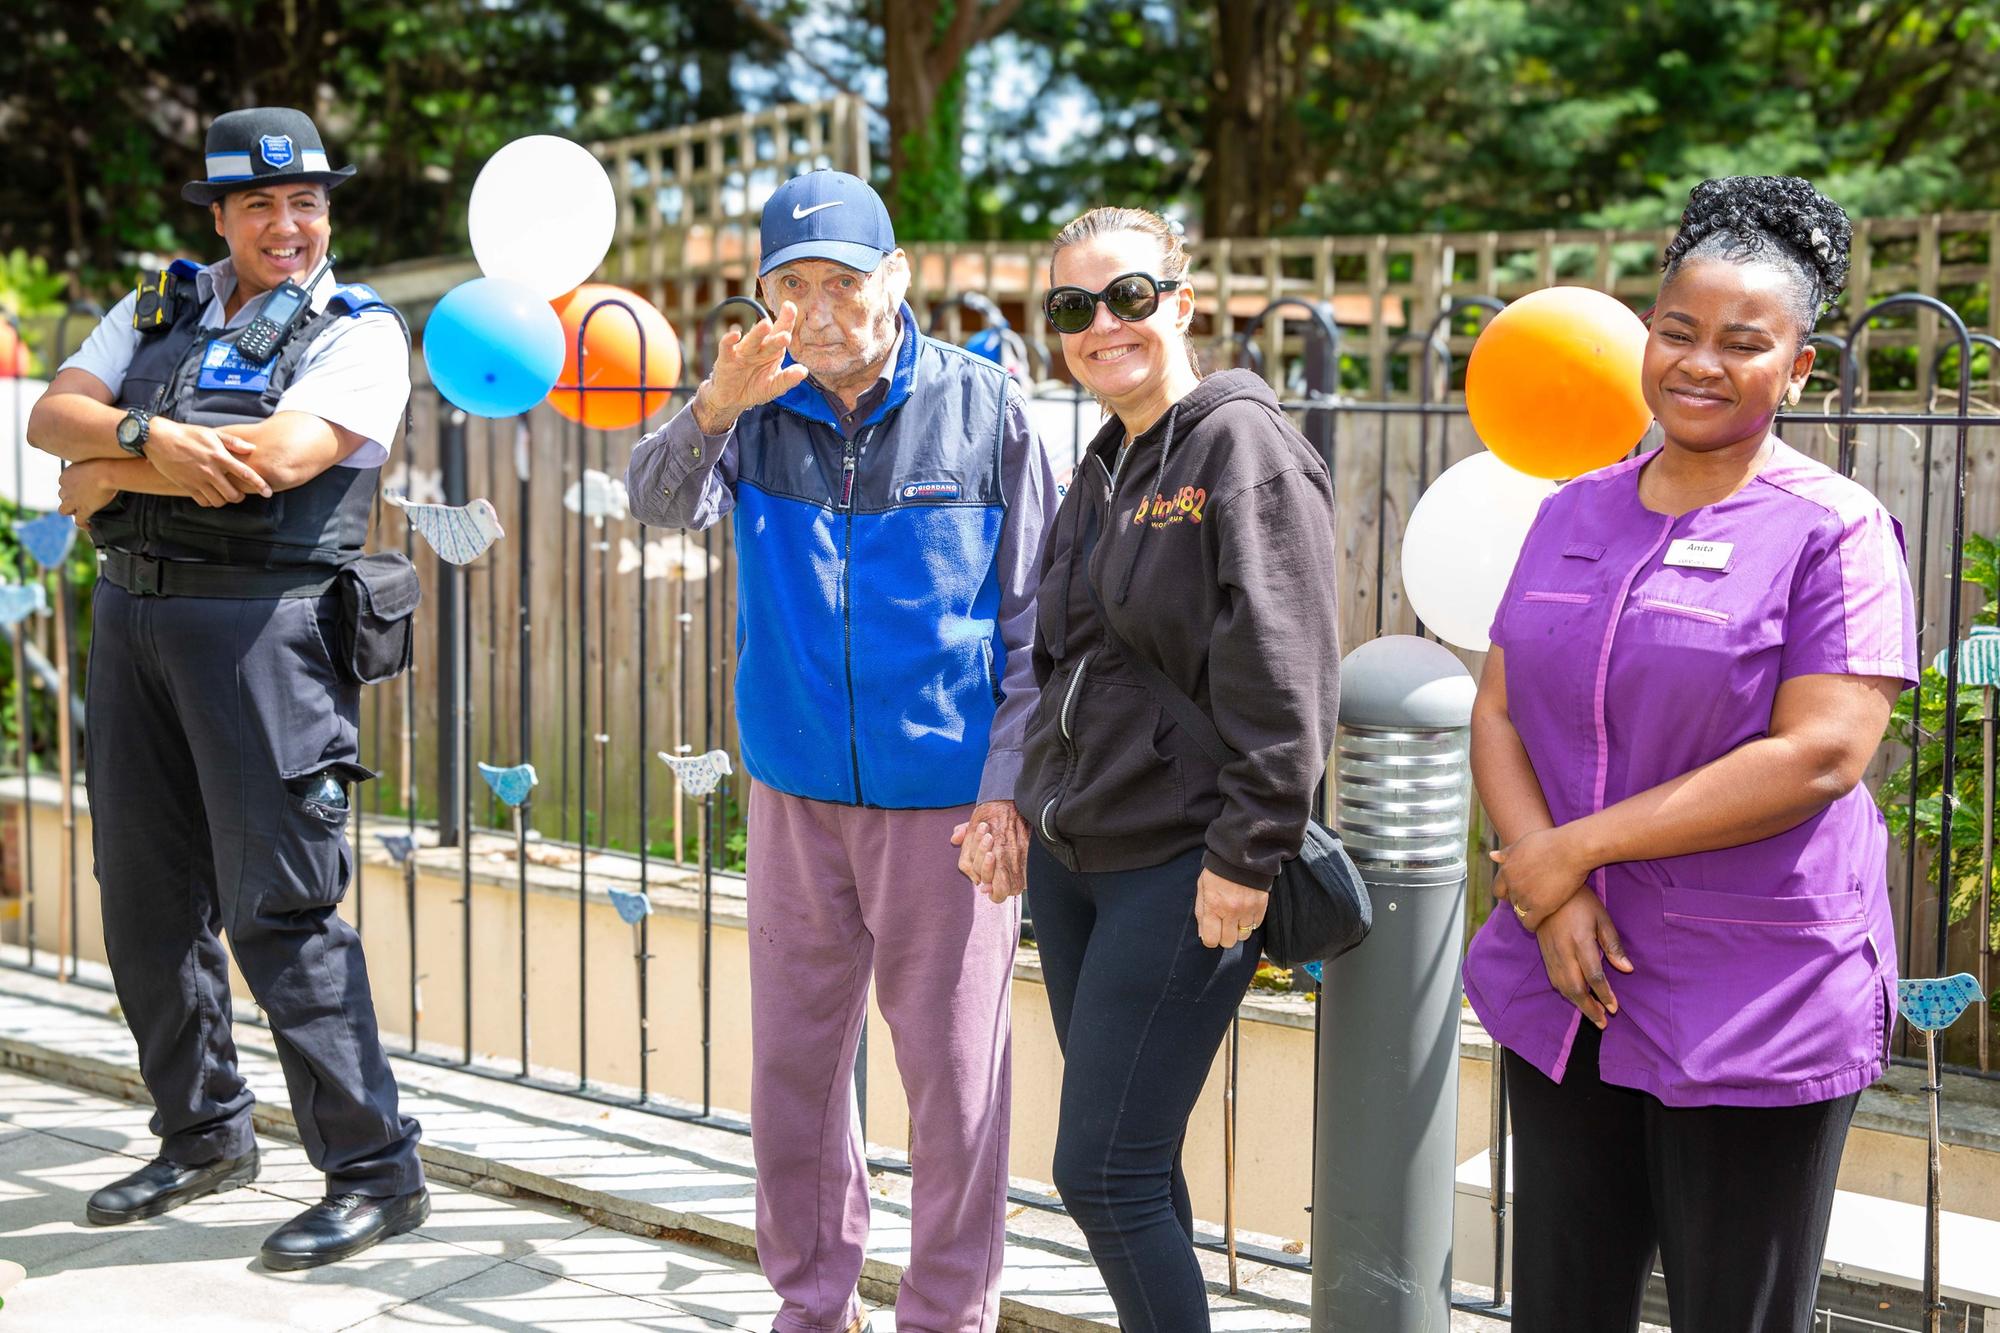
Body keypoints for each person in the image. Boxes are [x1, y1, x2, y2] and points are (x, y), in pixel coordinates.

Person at [1461, 176, 1916, 1332]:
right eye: (1675, 331)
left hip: (1750, 991)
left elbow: (1819, 754)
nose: (1698, 363)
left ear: (1798, 369)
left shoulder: (1834, 530)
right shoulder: (1573, 512)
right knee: (1561, 1308)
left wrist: (1569, 852)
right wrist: (1547, 886)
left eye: (1740, 343)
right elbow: (1500, 706)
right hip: (1570, 980)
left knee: (1734, 1313)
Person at [624, 169, 1060, 1333]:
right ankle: (813, 1304)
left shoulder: (987, 408)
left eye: (844, 282)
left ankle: (945, 1312)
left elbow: (1040, 628)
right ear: (763, 296)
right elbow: (656, 504)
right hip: (794, 797)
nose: (821, 311)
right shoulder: (752, 408)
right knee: (794, 1081)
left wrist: (1007, 793)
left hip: (950, 808)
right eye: (792, 286)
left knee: (956, 1088)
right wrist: (711, 404)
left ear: (897, 278)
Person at [26, 106, 427, 1269]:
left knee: (280, 908)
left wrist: (108, 466)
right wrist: (144, 440)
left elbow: (276, 461)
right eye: (259, 205)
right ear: (219, 215)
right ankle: (202, 1134)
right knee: (143, 899)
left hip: (265, 631)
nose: (286, 224)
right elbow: (53, 416)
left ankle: (373, 1170)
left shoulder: (358, 328)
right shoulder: (161, 304)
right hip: (136, 620)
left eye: (305, 201)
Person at [994, 207, 1340, 1331]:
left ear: (1181, 303)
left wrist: (1246, 855)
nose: (1103, 325)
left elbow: (1289, 676)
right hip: (1077, 861)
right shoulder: (1100, 462)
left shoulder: (1237, 447)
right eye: (1072, 308)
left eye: (1128, 296)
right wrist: (1020, 802)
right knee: (1136, 1165)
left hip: (1186, 865)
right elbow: (1059, 664)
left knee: (1097, 1171)